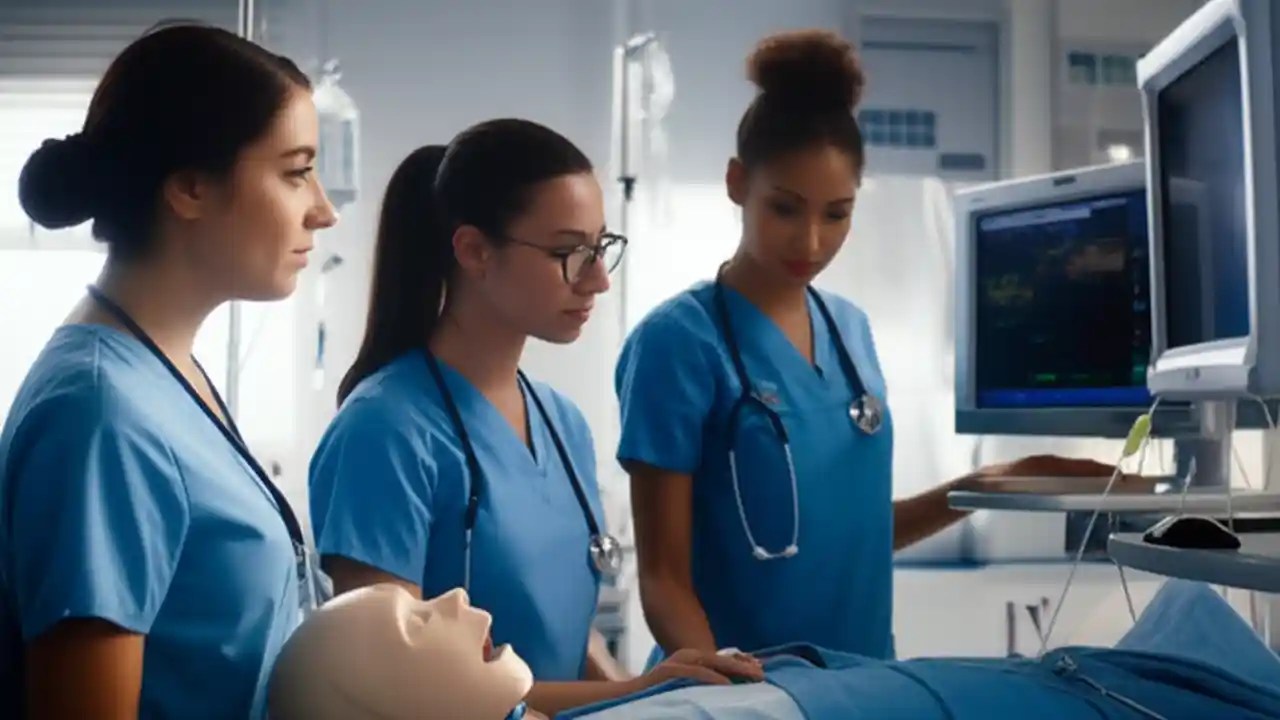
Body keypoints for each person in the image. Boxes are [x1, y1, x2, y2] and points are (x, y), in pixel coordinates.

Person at [615, 29, 1141, 664]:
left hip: (861, 680)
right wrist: (725, 689)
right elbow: (664, 580)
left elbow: (853, 534)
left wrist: (995, 482)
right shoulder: (677, 343)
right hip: (737, 695)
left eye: (836, 214)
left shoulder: (851, 330)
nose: (810, 241)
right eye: (785, 208)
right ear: (736, 183)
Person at [307, 126, 762, 719]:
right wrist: (638, 691)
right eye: (567, 253)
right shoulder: (385, 432)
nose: (598, 278)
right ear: (474, 252)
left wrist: (668, 692)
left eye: (601, 248)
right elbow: (392, 686)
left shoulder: (561, 422)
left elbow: (567, 640)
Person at [0, 23, 337, 719]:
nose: (323, 210)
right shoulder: (99, 415)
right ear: (189, 187)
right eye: (296, 172)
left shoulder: (163, 374)